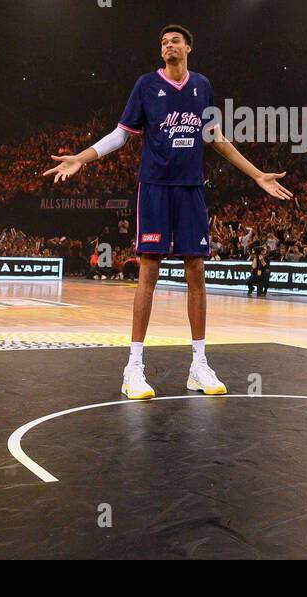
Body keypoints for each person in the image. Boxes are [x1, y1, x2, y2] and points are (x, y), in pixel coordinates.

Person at [44, 25, 292, 400]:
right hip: (156, 188)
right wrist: (81, 157)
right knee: (149, 270)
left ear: (188, 47)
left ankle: (199, 365)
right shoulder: (145, 85)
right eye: (162, 42)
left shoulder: (202, 86)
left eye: (175, 40)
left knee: (197, 271)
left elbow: (216, 139)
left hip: (191, 189)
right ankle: (134, 367)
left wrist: (257, 174)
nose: (168, 45)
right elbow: (121, 134)